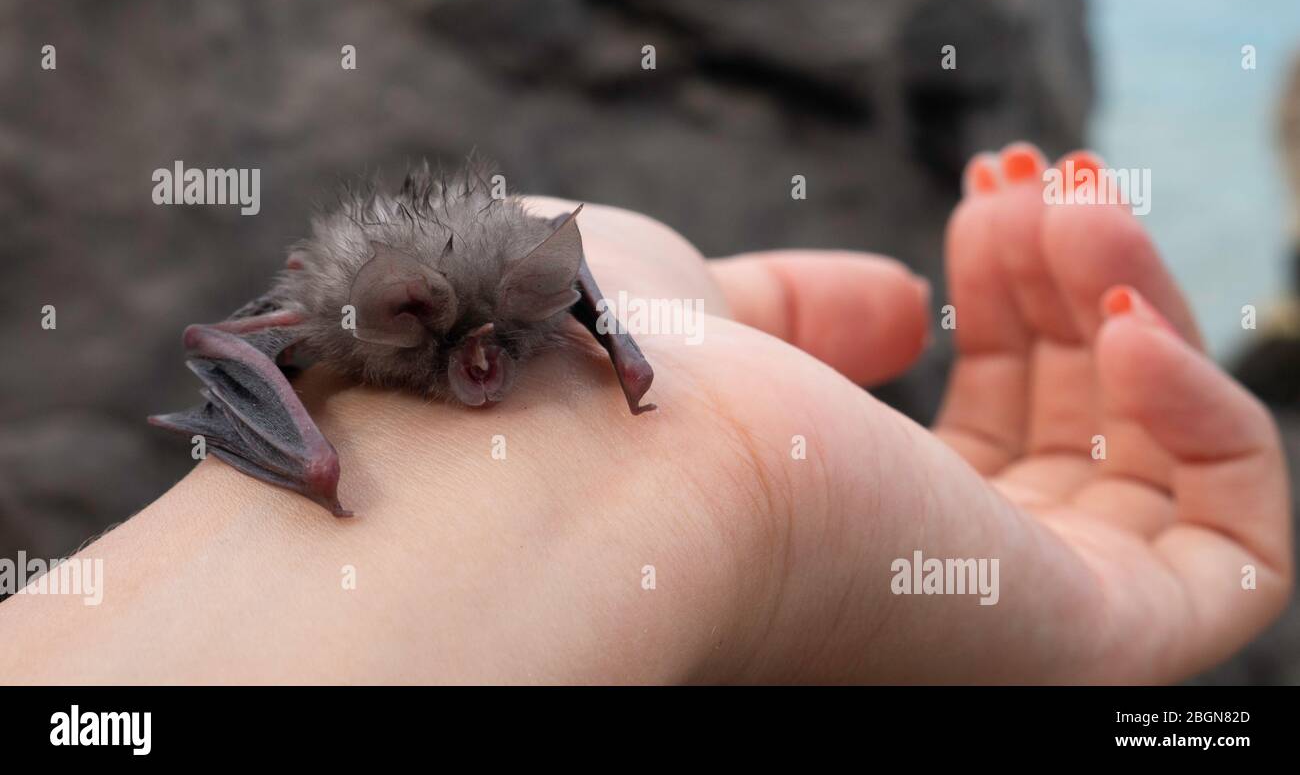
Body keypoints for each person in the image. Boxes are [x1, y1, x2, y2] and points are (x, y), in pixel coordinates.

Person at [0, 143, 1290, 683]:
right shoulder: (347, 327)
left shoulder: (541, 298)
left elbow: (572, 300)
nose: (489, 373)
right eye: (472, 358)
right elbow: (227, 346)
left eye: (512, 346)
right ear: (406, 335)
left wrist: (613, 350)